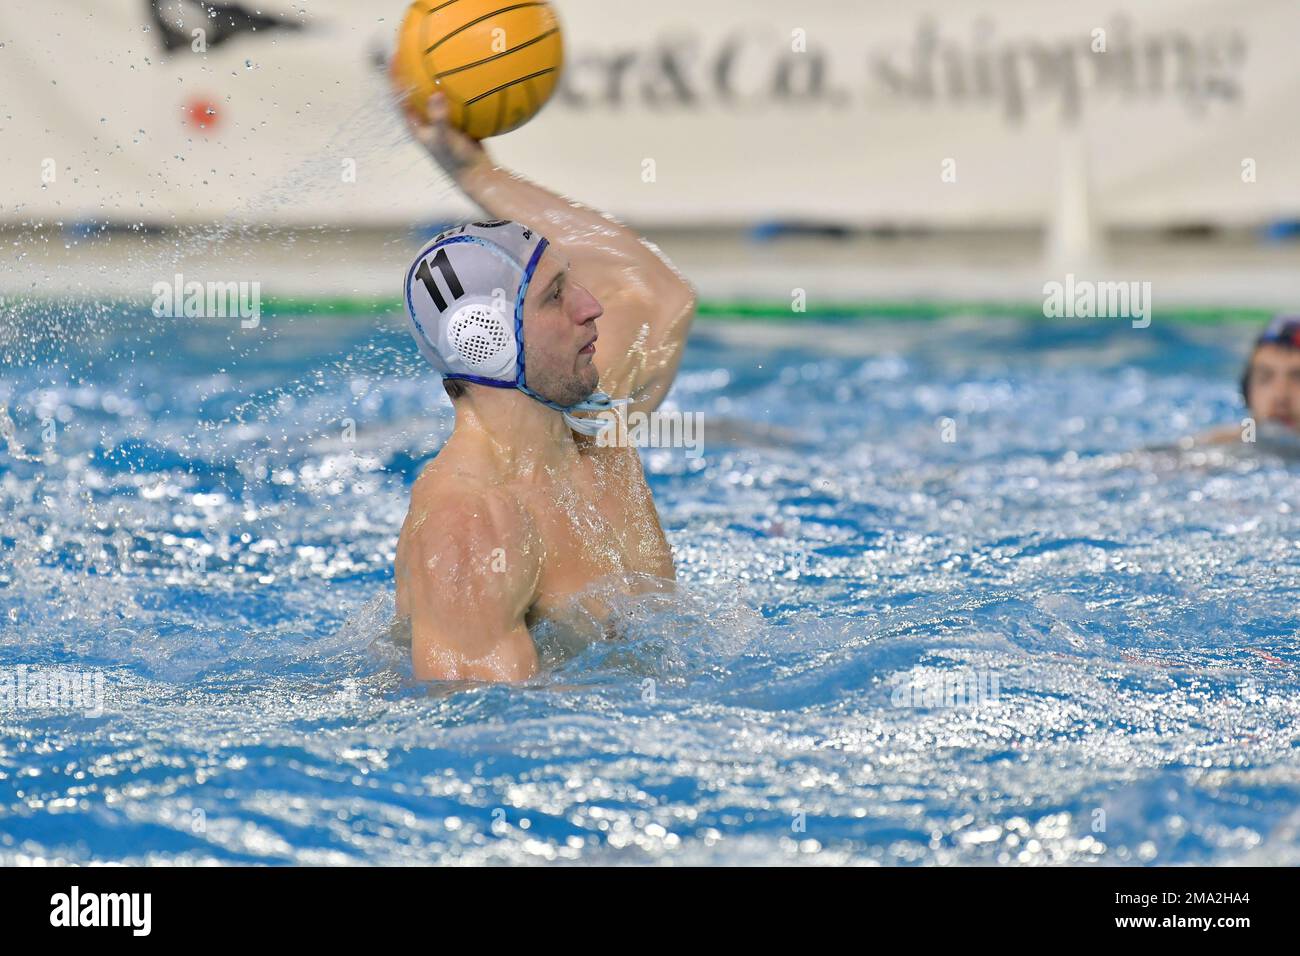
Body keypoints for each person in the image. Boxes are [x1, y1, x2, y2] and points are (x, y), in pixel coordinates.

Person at [393, 93, 697, 683]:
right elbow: (481, 737)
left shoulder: (593, 422)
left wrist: (476, 172)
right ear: (487, 338)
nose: (592, 306)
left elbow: (659, 292)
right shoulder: (473, 527)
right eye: (556, 295)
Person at [1200, 314, 1300, 444]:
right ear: (1247, 391)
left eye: (1298, 378)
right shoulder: (1218, 447)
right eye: (1265, 378)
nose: (1280, 396)